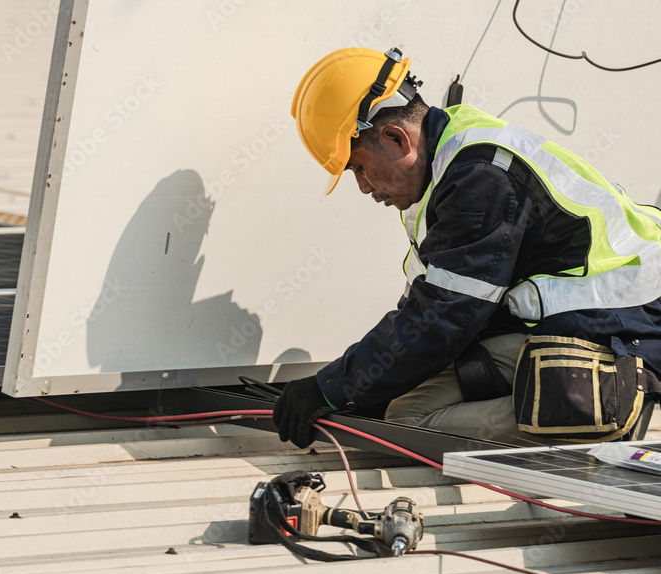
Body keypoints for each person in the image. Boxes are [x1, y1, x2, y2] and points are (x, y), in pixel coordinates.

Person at [272, 47, 661, 448]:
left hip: (622, 329)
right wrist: (364, 386)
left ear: (395, 138)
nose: (363, 187)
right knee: (399, 404)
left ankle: (599, 405)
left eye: (358, 166)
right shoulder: (444, 164)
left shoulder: (481, 179)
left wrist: (332, 387)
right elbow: (425, 312)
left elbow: (444, 317)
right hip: (563, 325)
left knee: (406, 423)